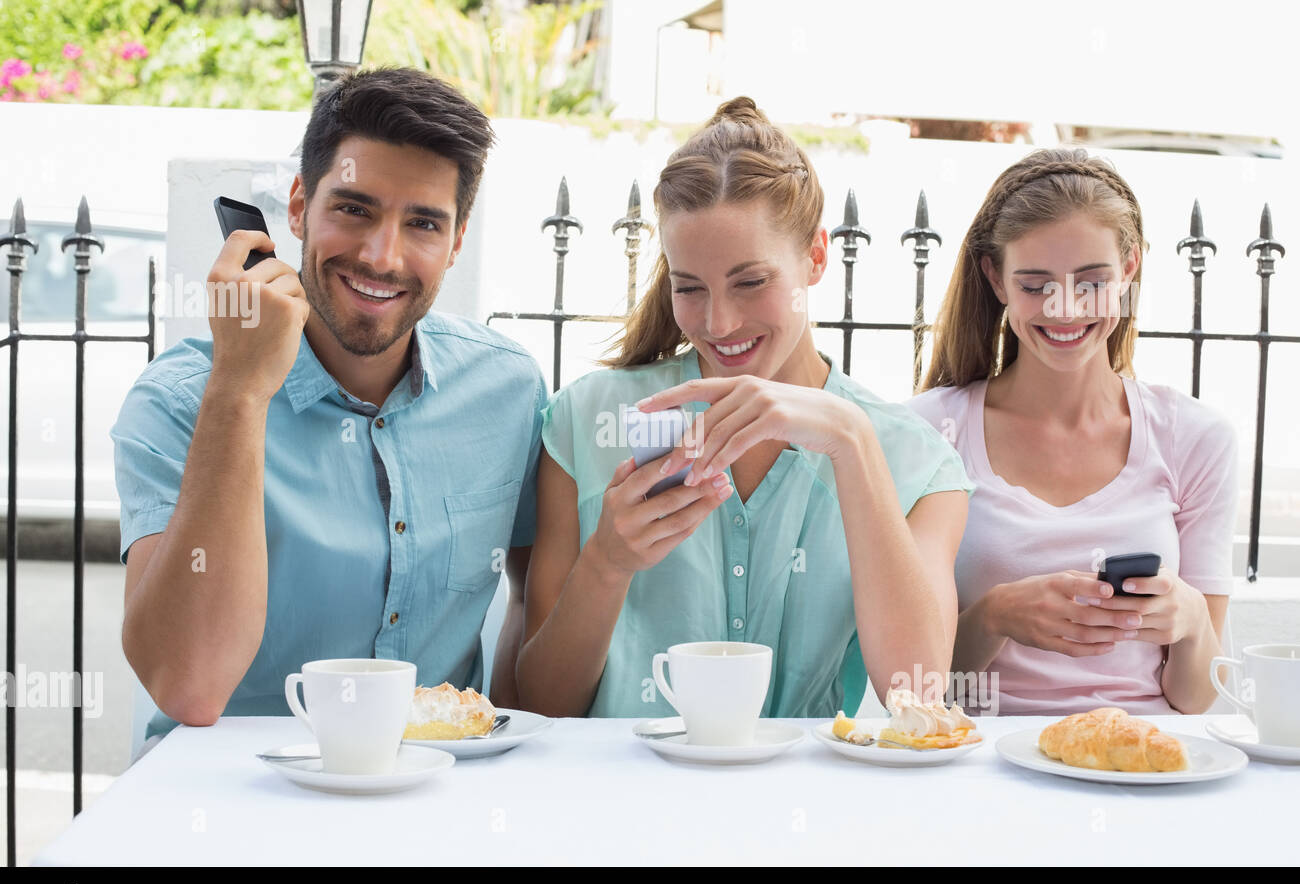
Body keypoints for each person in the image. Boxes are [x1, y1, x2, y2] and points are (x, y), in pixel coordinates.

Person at [112, 67, 546, 740]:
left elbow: (533, 616)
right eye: (354, 208)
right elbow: (187, 685)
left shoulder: (508, 390)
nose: (382, 256)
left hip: (434, 805)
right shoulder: (180, 401)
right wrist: (240, 388)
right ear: (297, 206)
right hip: (235, 815)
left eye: (424, 223)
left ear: (457, 241)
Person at [514, 97, 973, 719]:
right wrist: (606, 564)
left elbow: (913, 695)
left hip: (804, 809)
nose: (719, 322)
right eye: (689, 288)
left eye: (750, 282)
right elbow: (540, 704)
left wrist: (849, 438)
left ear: (816, 256)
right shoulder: (586, 420)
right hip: (620, 803)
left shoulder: (916, 460)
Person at [909, 148, 1237, 716]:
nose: (1065, 310)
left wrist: (1188, 621)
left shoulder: (1197, 439)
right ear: (995, 278)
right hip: (980, 764)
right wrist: (994, 617)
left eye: (1092, 282)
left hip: (1140, 759)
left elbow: (1199, 699)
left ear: (1130, 268)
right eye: (1035, 285)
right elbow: (913, 689)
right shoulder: (928, 431)